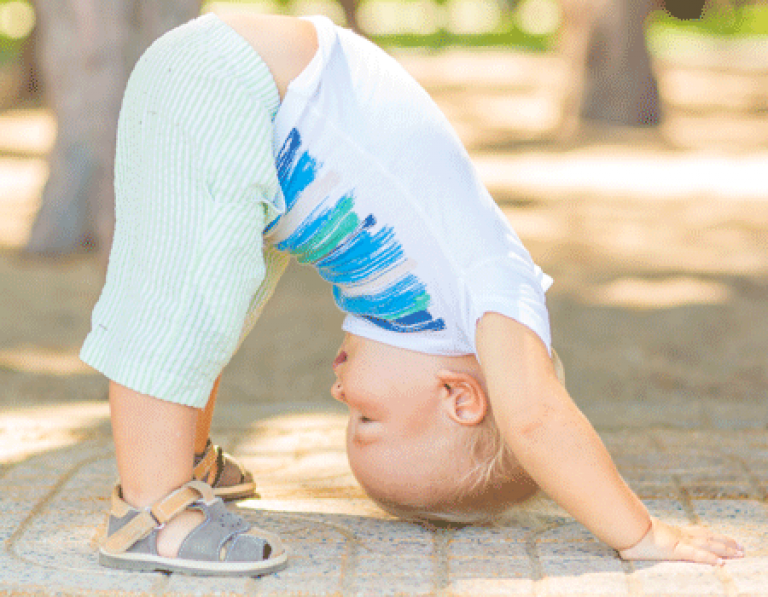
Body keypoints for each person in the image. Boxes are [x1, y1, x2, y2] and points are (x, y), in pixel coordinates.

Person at [81, 11, 745, 576]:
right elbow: (538, 419)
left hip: (246, 102)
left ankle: (182, 457)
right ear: (461, 396)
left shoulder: (437, 304)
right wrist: (639, 532)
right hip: (235, 86)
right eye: (367, 419)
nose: (339, 394)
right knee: (187, 297)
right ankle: (152, 507)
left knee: (219, 298)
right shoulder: (493, 294)